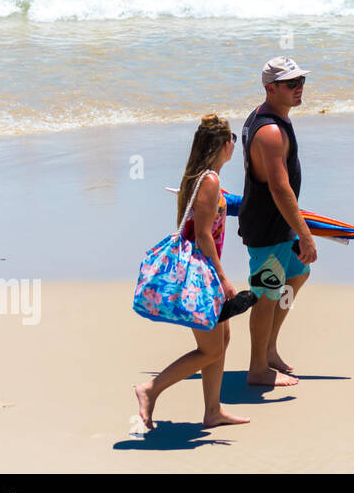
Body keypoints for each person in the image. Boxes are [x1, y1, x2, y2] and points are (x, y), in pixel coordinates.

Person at [134, 115, 250, 430]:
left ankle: (213, 410)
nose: (233, 147)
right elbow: (202, 235)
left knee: (222, 338)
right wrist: (223, 277)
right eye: (233, 141)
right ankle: (150, 389)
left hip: (202, 268)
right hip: (201, 272)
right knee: (210, 348)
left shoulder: (201, 177)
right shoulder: (209, 180)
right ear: (224, 144)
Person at [239, 57, 318, 388]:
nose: (299, 88)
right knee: (267, 293)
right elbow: (279, 188)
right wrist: (306, 234)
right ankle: (257, 368)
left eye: (301, 81)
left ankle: (269, 350)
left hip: (280, 224)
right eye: (291, 84)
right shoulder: (269, 131)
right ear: (271, 89)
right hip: (267, 228)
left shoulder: (272, 118)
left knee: (297, 275)